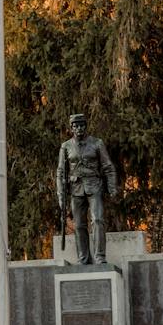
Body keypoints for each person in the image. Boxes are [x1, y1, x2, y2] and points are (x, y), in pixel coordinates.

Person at [55, 112, 118, 264]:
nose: (79, 129)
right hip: (76, 189)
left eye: (82, 125)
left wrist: (112, 187)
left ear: (86, 126)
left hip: (94, 186)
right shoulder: (66, 147)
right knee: (79, 225)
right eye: (76, 126)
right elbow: (60, 173)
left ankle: (100, 257)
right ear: (71, 128)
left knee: (97, 220)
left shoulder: (97, 143)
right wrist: (61, 197)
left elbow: (108, 166)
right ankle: (83, 258)